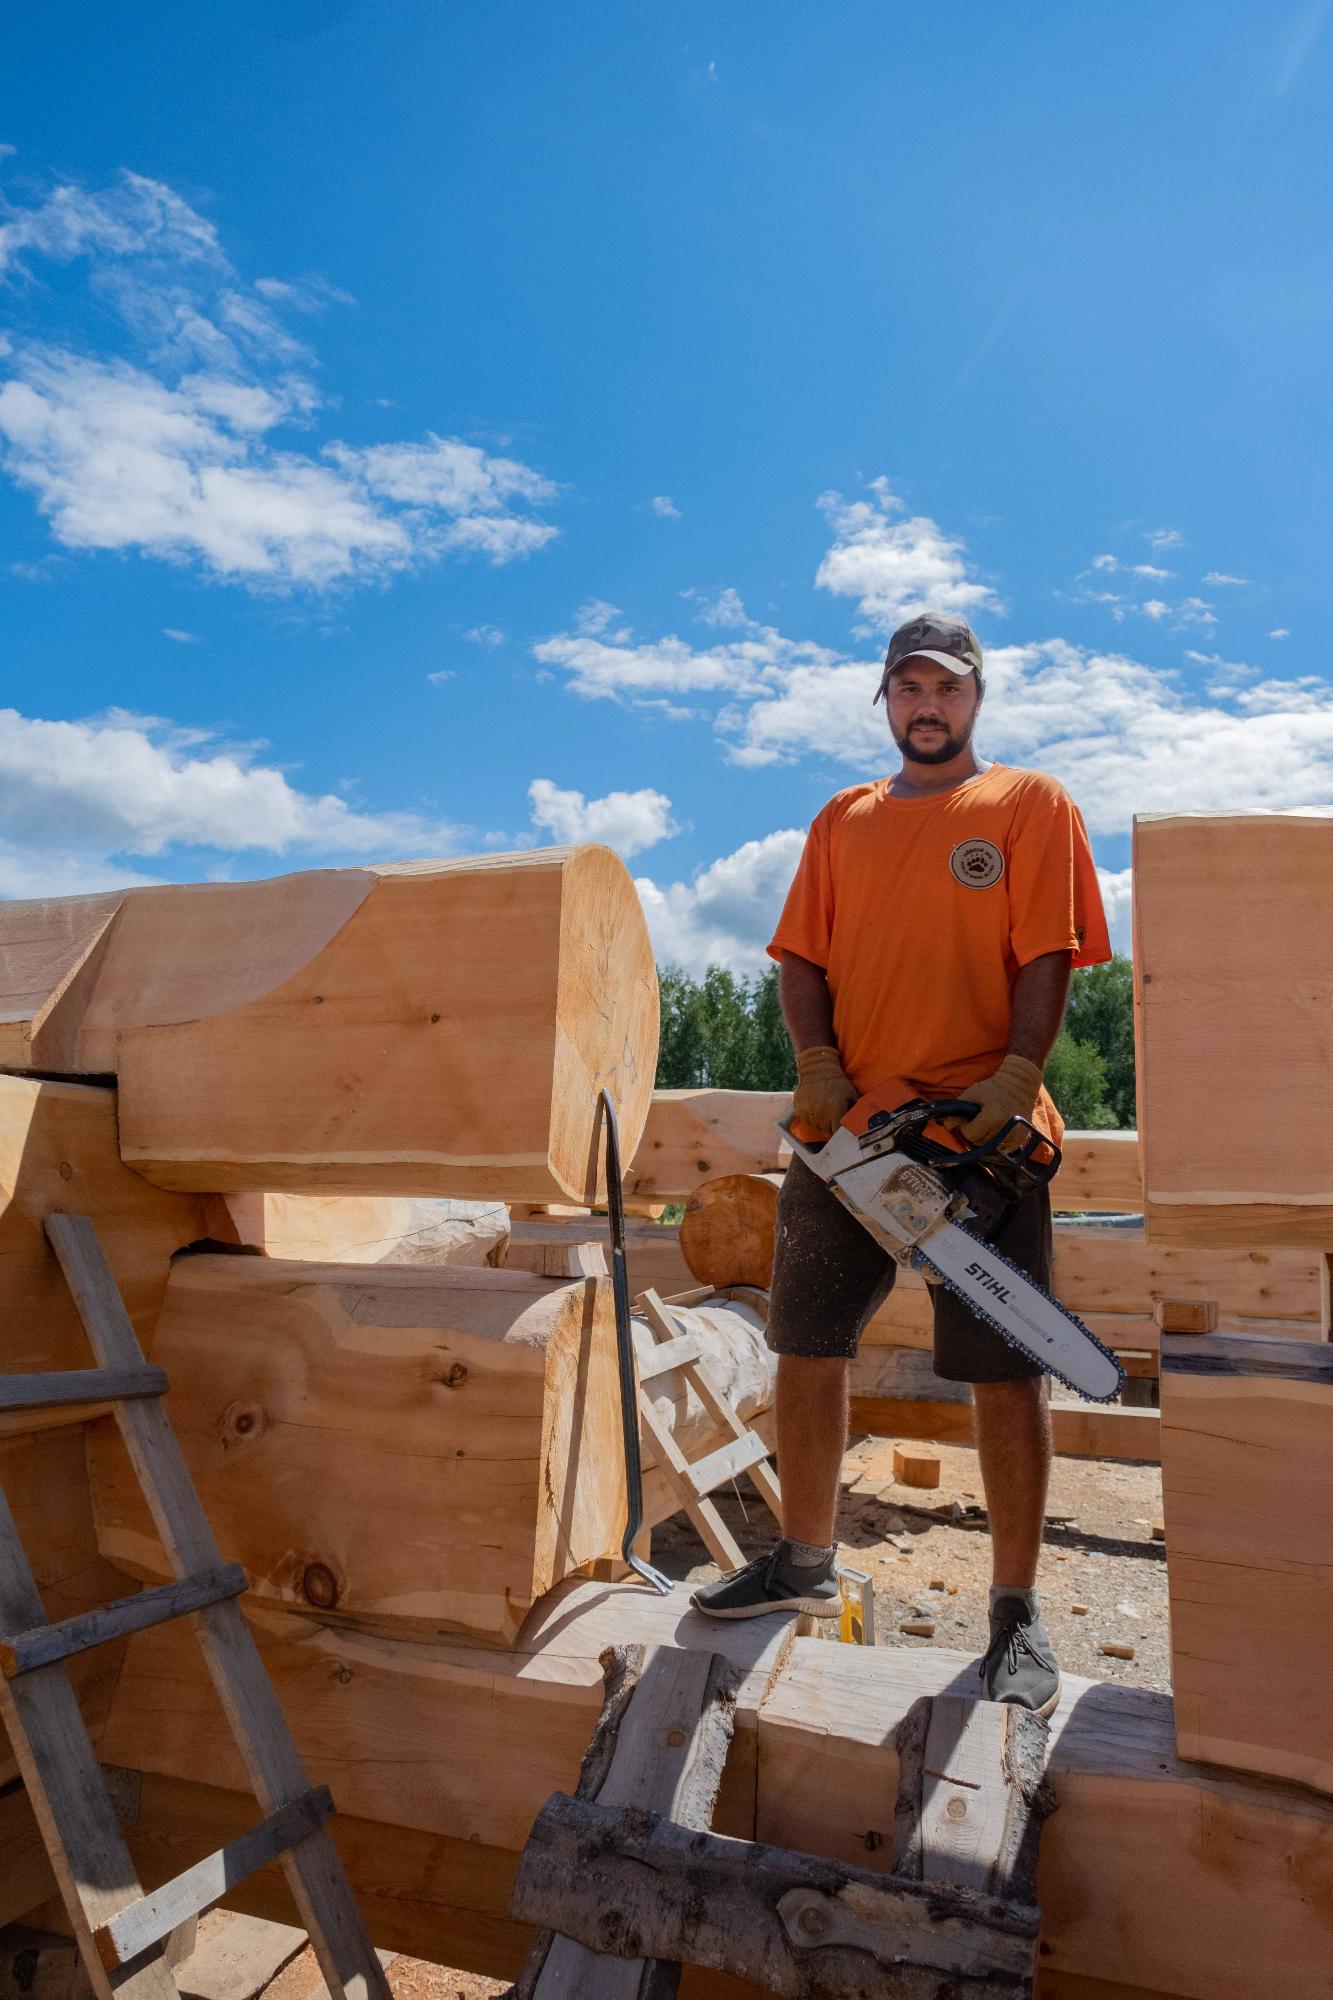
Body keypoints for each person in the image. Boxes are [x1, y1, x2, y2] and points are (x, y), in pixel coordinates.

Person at [691, 610, 1111, 1716]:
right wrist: (817, 1063)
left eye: (947, 688)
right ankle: (801, 1559)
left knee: (1009, 1366)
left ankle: (1015, 1608)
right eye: (908, 687)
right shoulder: (846, 816)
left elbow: (1046, 951)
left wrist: (1015, 1077)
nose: (928, 704)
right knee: (804, 1342)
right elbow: (800, 956)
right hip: (850, 1134)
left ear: (977, 697)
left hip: (977, 1126)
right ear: (884, 700)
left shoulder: (1027, 803)